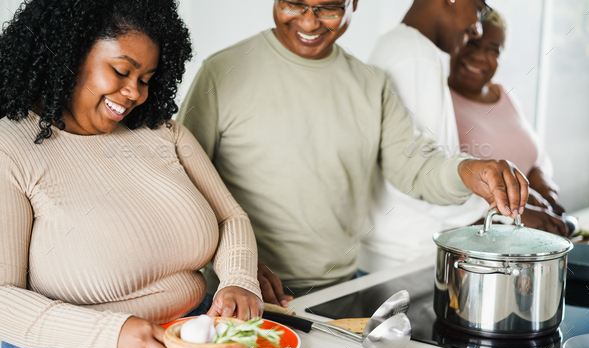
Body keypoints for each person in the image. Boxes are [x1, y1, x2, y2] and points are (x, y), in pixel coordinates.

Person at [177, 0, 528, 304]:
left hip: (337, 290)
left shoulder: (371, 84)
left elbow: (415, 167)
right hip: (238, 292)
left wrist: (468, 171)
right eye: (293, 4)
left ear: (354, 4)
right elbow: (182, 182)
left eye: (328, 8)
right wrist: (234, 264)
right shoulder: (221, 72)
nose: (309, 22)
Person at [0, 0, 262, 348]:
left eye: (147, 78)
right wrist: (111, 333)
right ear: (68, 54)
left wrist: (239, 278)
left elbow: (230, 217)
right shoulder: (10, 148)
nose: (134, 94)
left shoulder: (160, 131)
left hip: (192, 342)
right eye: (122, 71)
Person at [361, 0, 493, 271]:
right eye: (479, 11)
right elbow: (420, 172)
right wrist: (495, 207)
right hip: (407, 258)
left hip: (383, 253)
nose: (478, 30)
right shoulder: (417, 55)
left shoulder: (394, 42)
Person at [448, 10, 568, 235]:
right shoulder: (441, 102)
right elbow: (445, 182)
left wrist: (540, 176)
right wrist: (514, 215)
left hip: (528, 236)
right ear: (457, 42)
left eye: (493, 50)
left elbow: (536, 152)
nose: (480, 57)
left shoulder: (503, 94)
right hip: (484, 242)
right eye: (472, 44)